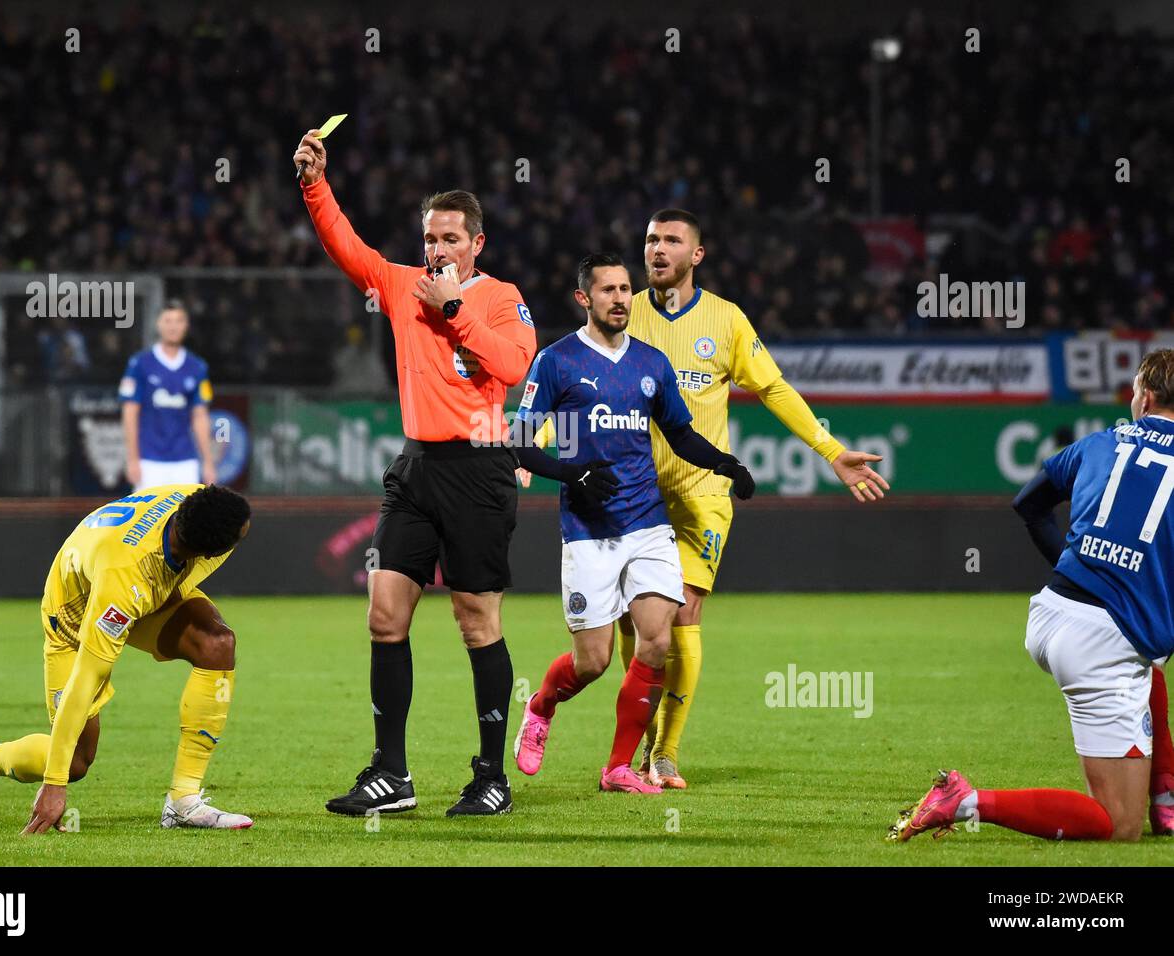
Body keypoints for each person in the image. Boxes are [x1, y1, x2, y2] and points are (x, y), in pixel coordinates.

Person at [294, 128, 536, 816]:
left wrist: (453, 308)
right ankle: (390, 775)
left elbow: (516, 367)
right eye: (431, 238)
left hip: (481, 468)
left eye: (451, 238)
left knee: (475, 619)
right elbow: (347, 246)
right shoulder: (400, 284)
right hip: (418, 466)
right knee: (384, 614)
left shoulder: (499, 296)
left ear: (477, 244)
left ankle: (491, 776)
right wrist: (315, 182)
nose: (437, 250)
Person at [618, 209, 889, 788]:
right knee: (636, 627)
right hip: (632, 494)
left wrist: (831, 450)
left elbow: (772, 387)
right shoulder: (623, 311)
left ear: (697, 255)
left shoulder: (726, 320)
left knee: (683, 610)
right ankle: (637, 742)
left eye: (672, 241)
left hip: (701, 495)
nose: (658, 250)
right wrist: (532, 441)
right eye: (650, 240)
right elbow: (571, 378)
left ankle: (664, 752)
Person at [891, 349, 1174, 842]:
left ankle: (1165, 799)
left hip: (1054, 611)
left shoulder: (1100, 442)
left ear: (1146, 398)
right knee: (1117, 824)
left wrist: (1082, 566)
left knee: (1150, 662)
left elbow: (1029, 502)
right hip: (1101, 642)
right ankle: (966, 801)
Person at [510, 253, 754, 793]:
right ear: (584, 298)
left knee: (656, 643)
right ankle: (540, 706)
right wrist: (572, 475)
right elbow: (520, 445)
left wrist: (726, 464)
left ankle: (619, 767)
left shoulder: (651, 363)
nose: (621, 298)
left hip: (647, 524)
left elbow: (679, 432)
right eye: (608, 291)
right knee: (593, 661)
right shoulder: (556, 361)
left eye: (625, 289)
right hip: (589, 533)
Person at [0, 484, 254, 833]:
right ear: (208, 551)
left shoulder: (196, 503)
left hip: (133, 587)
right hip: (74, 618)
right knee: (75, 762)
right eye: (238, 539)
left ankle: (183, 801)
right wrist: (55, 784)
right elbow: (86, 678)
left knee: (217, 645)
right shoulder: (127, 576)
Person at [120, 301, 217, 490]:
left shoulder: (197, 367)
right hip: (149, 460)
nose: (173, 326)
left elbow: (200, 415)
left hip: (185, 460)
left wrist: (208, 461)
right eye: (168, 320)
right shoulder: (140, 363)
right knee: (149, 519)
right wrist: (132, 458)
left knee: (189, 518)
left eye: (179, 321)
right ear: (158, 324)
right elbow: (130, 412)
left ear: (186, 326)